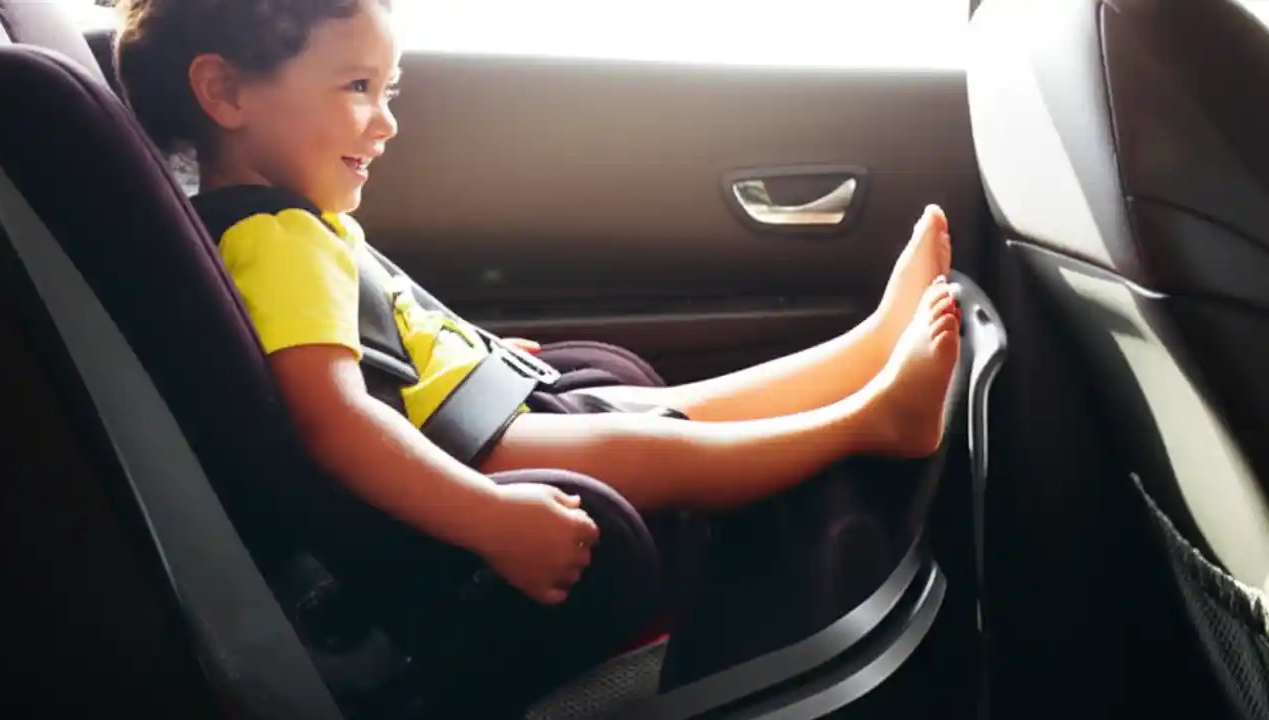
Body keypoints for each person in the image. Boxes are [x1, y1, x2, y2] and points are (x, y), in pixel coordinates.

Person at [114, 0, 961, 715]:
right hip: (468, 452)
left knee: (672, 408)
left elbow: (383, 337)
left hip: (470, 415)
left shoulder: (290, 224)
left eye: (390, 88)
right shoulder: (273, 239)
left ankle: (861, 355)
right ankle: (869, 421)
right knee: (663, 446)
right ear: (225, 91)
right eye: (357, 87)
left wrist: (479, 353)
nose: (389, 119)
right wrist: (488, 516)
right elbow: (333, 416)